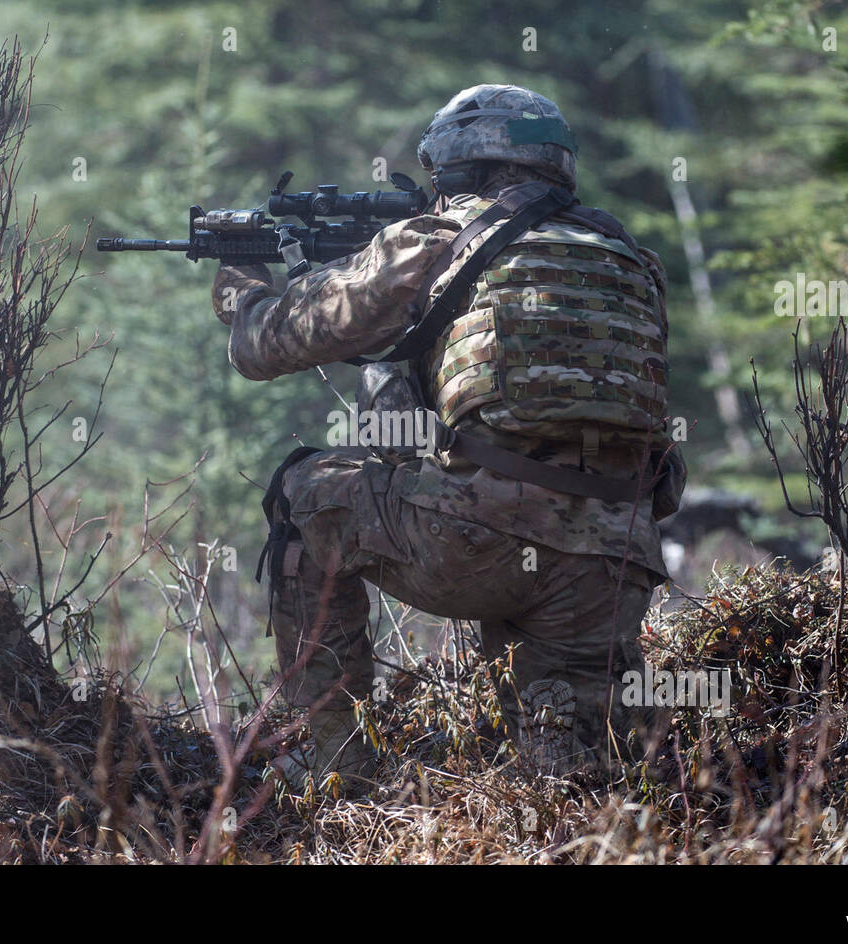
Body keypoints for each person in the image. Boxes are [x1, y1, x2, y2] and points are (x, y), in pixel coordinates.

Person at [211, 84, 686, 792]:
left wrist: (242, 285)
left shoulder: (434, 240)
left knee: (300, 498)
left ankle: (335, 766)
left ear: (457, 169)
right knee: (576, 788)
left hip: (479, 540)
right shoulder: (626, 258)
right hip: (612, 560)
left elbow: (264, 345)